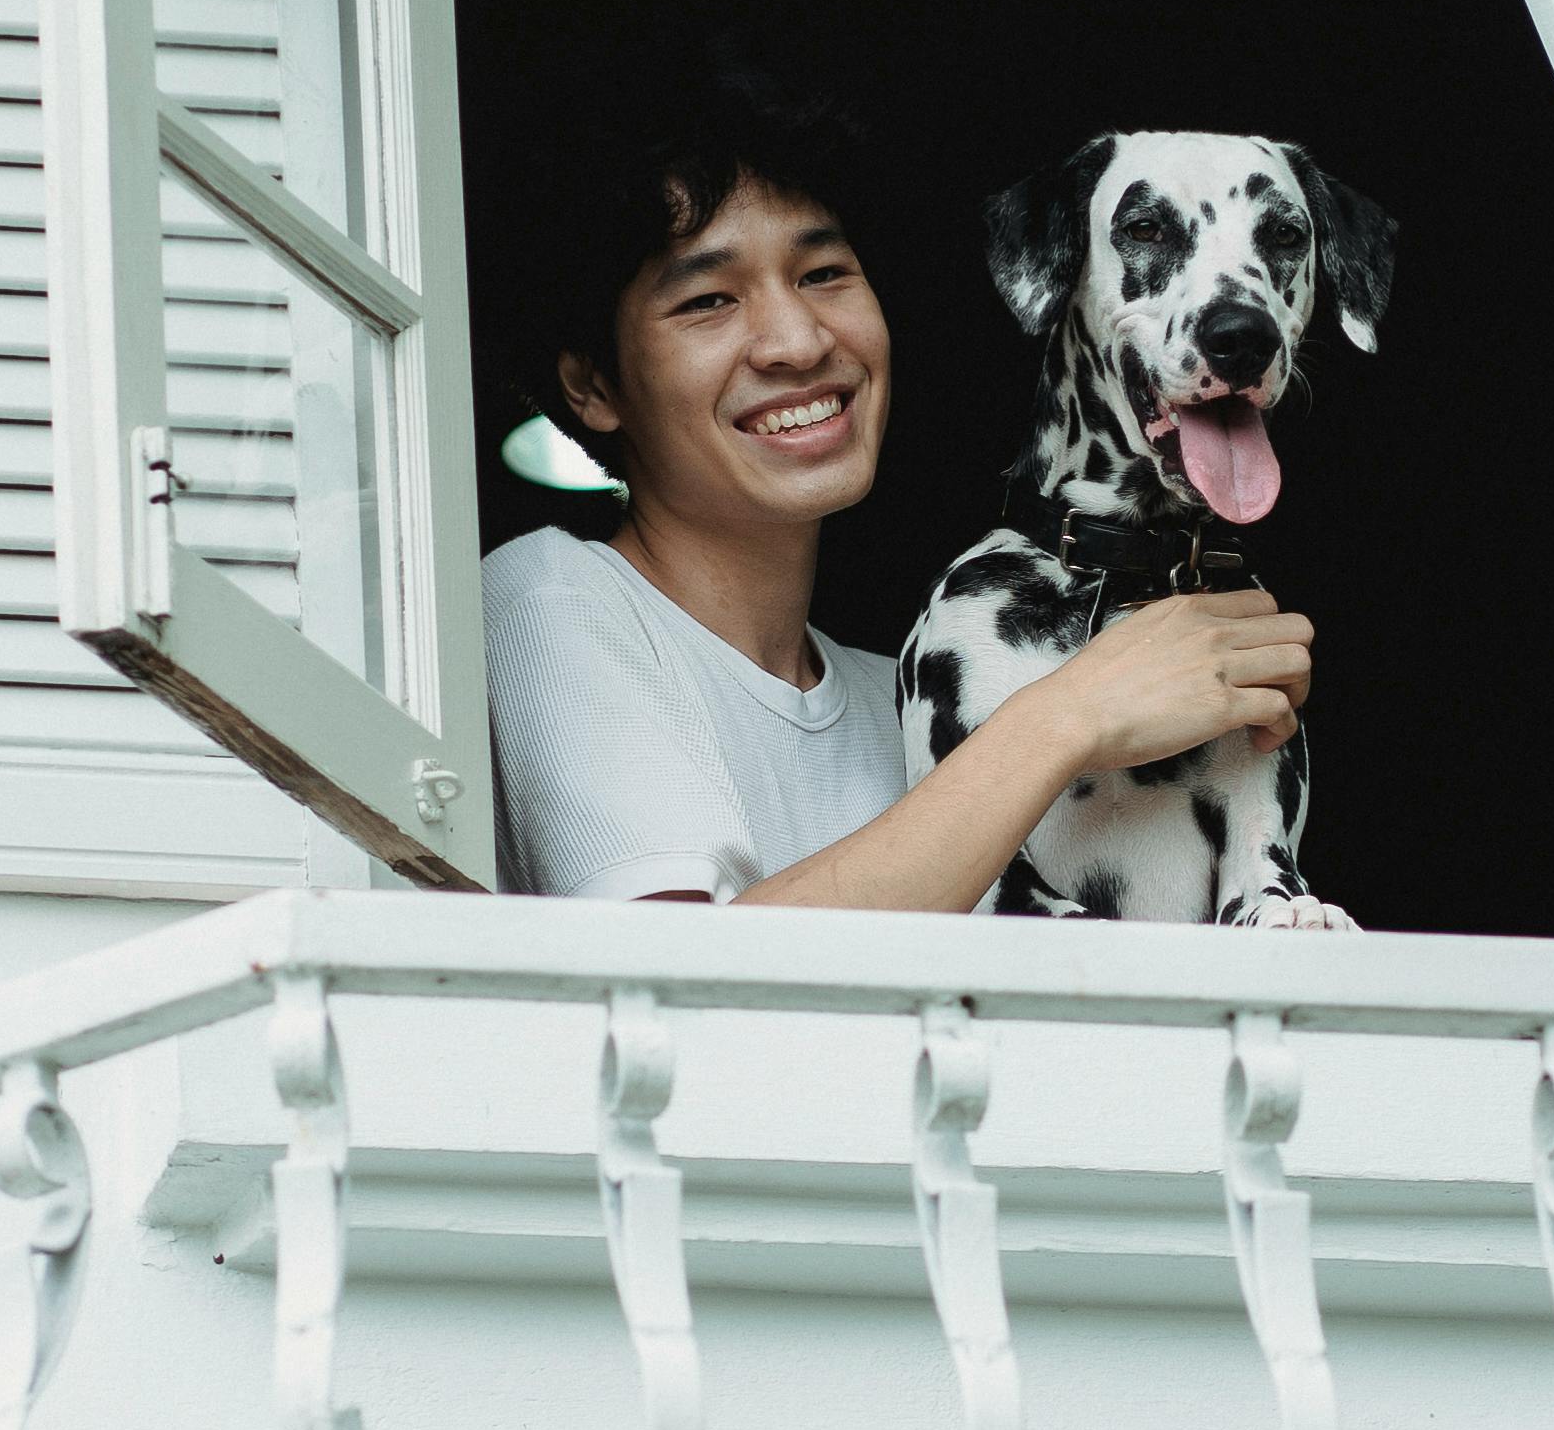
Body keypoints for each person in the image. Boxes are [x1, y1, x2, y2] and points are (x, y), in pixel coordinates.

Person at [481, 54, 1313, 909]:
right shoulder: (550, 597)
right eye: (708, 301)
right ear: (593, 385)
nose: (797, 342)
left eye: (823, 274)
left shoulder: (912, 693)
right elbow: (677, 992)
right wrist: (1072, 716)